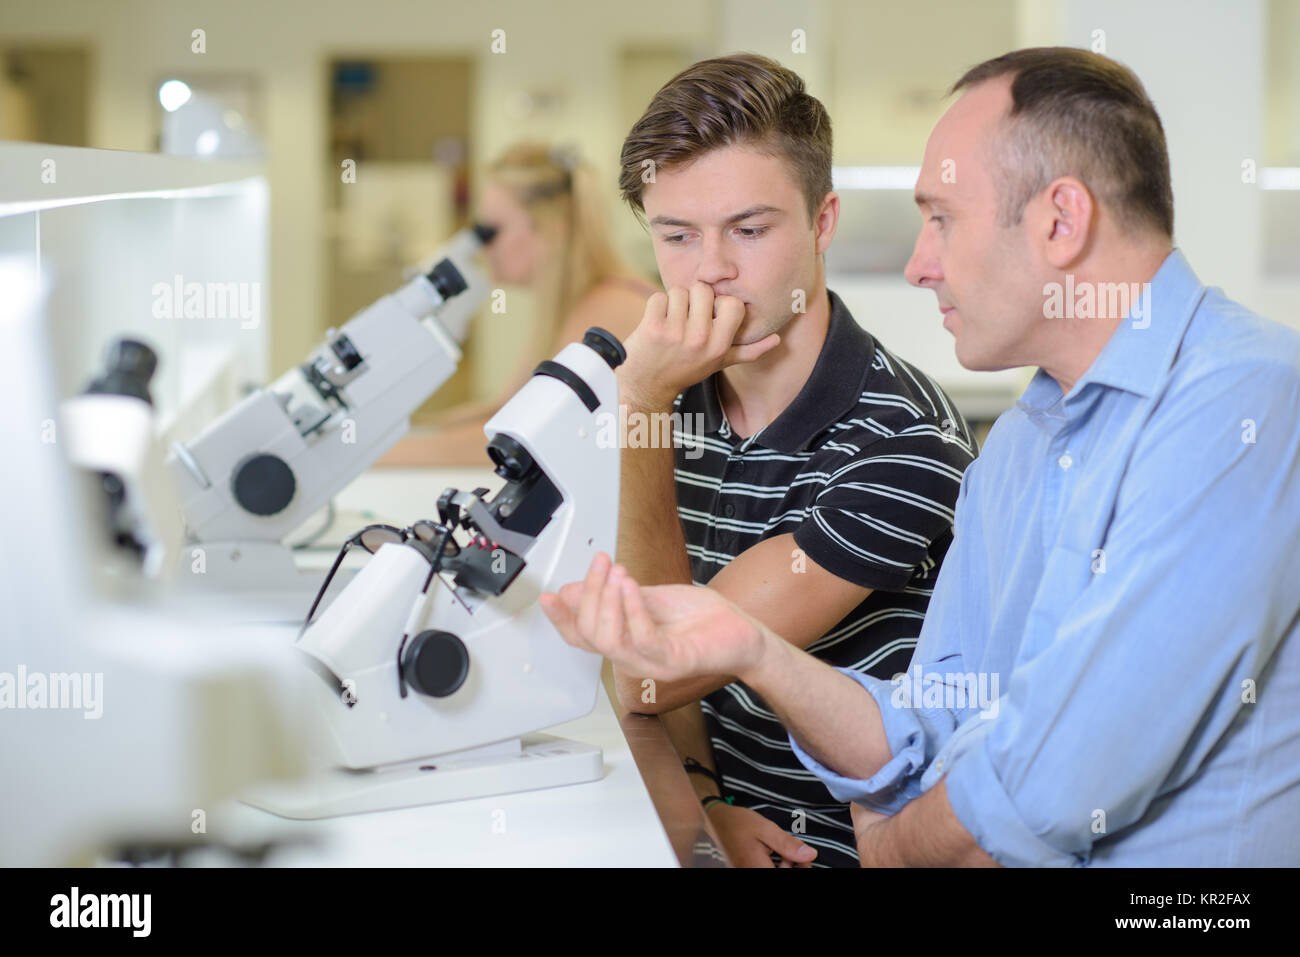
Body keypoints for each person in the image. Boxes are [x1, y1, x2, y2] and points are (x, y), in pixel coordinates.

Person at [541, 47, 1300, 866]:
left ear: (1060, 220)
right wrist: (747, 654)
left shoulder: (1248, 402)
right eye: (679, 235)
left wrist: (894, 843)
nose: (916, 264)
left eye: (942, 218)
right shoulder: (1017, 446)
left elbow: (1044, 793)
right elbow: (924, 721)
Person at [604, 53, 977, 867]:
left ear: (822, 222)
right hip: (707, 821)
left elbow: (652, 668)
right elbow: (619, 669)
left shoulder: (904, 444)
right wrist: (702, 808)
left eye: (749, 228)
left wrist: (637, 409)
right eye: (676, 235)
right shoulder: (678, 391)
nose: (711, 269)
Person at [377, 142, 654, 466]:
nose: (484, 249)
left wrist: (372, 456)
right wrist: (406, 430)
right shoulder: (572, 305)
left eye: (491, 231)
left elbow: (527, 437)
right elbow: (508, 407)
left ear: (551, 228)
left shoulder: (611, 307)